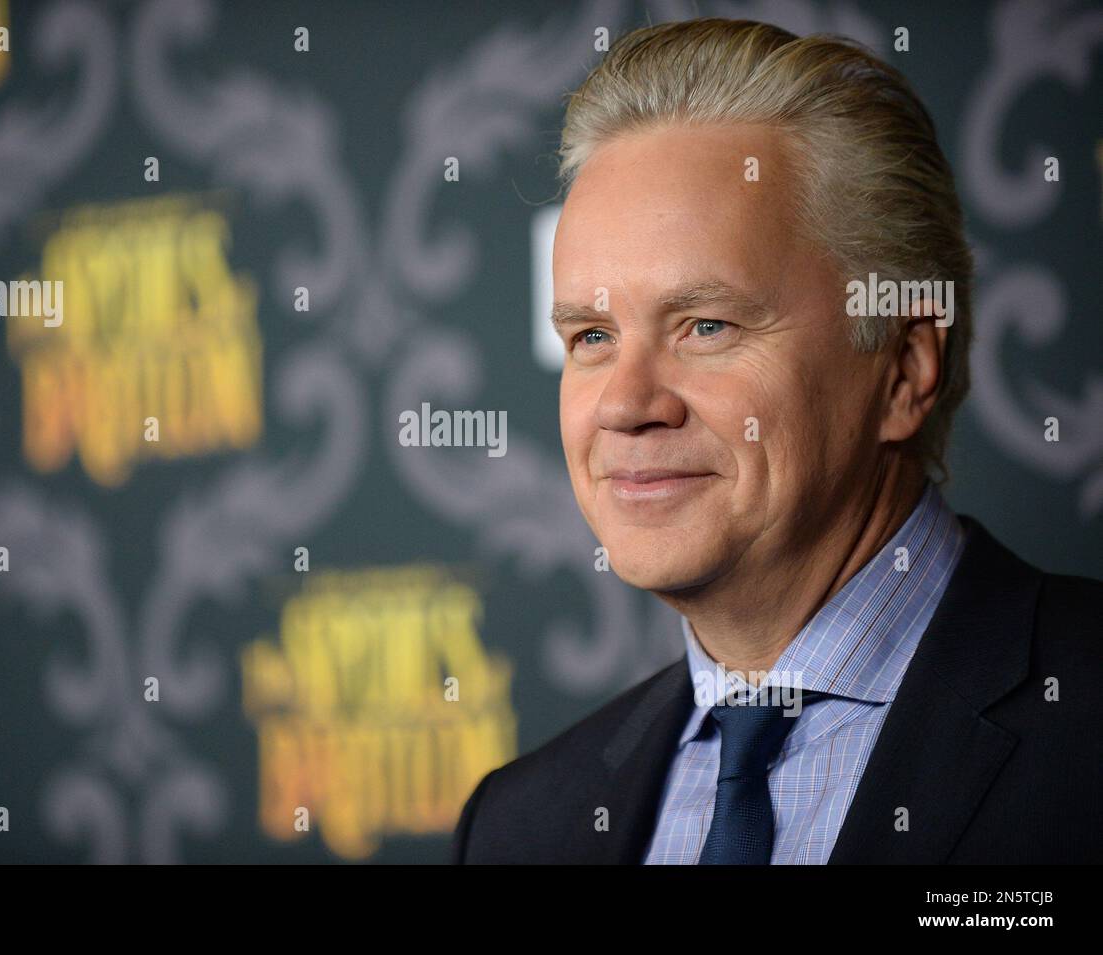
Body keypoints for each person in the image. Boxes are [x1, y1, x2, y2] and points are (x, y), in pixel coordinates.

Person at [450, 17, 1103, 864]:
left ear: (902, 370)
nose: (626, 404)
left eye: (707, 325)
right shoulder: (517, 827)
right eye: (592, 337)